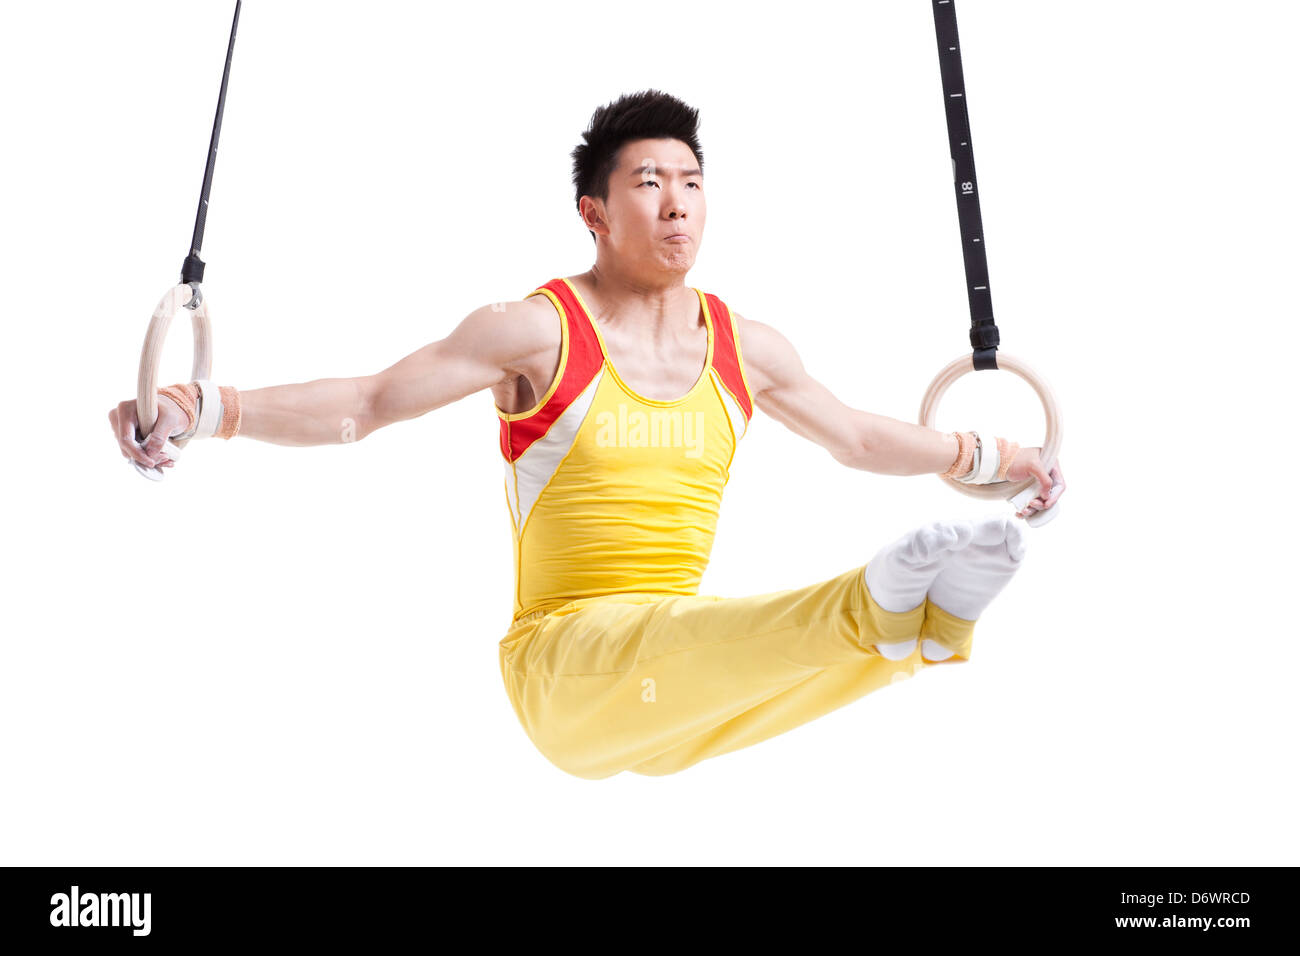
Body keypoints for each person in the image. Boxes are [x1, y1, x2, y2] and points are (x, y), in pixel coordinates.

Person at [109, 89, 1066, 779]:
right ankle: (879, 606)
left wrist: (995, 456)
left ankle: (924, 625)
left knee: (771, 656)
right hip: (562, 672)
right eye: (649, 182)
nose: (677, 202)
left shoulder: (748, 347)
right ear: (595, 213)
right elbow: (366, 402)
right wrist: (205, 407)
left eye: (692, 181)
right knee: (720, 636)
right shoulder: (535, 331)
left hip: (676, 690)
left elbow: (857, 439)